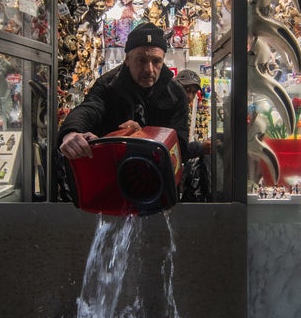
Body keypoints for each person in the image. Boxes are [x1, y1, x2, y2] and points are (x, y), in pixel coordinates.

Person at [58, 21, 189, 160]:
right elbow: (89, 109)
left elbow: (180, 146)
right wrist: (71, 133)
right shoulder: (108, 84)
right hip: (112, 169)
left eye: (156, 61)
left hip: (159, 174)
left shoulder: (176, 93)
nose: (149, 69)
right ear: (127, 60)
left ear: (163, 61)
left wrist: (143, 135)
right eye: (141, 60)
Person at [174, 69, 212, 202]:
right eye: (186, 89)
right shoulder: (170, 110)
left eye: (193, 92)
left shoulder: (181, 111)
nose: (189, 96)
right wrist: (200, 148)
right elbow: (175, 150)